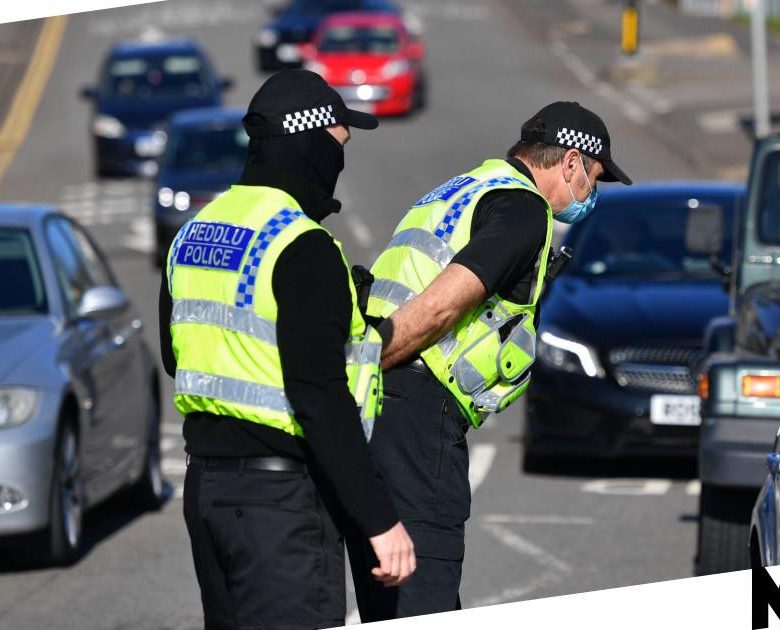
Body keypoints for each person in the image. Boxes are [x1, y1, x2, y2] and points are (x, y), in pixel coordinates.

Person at [344, 101, 632, 620]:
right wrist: (368, 359)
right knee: (421, 598)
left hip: (381, 408)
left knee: (390, 600)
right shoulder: (524, 211)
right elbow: (441, 305)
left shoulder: (462, 187)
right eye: (593, 178)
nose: (592, 194)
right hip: (417, 409)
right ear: (570, 162)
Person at [159, 70, 415, 629]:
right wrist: (379, 520)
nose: (341, 162)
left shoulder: (193, 234)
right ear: (310, 140)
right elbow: (318, 396)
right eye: (340, 145)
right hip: (280, 504)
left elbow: (177, 358)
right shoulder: (302, 247)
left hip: (206, 495)